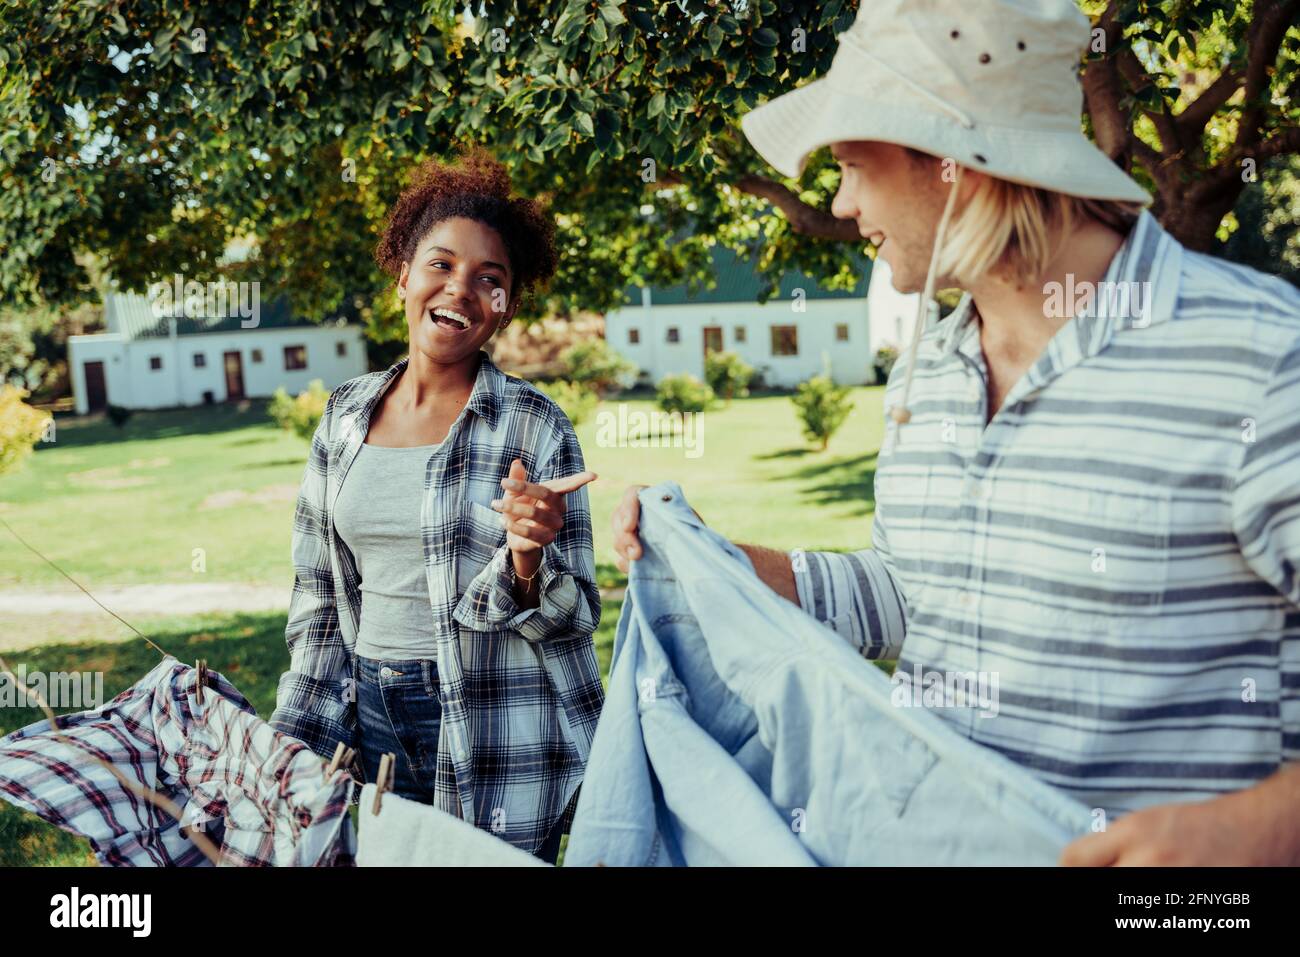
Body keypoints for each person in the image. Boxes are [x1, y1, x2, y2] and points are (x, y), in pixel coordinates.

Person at [613, 0, 1300, 865]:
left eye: (854, 165)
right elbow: (913, 595)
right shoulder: (928, 371)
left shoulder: (1263, 358)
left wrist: (1253, 833)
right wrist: (723, 563)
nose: (840, 200)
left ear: (956, 167)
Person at [271, 148, 604, 863]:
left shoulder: (535, 426)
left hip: (493, 723)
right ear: (403, 274)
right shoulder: (345, 416)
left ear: (505, 306)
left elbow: (576, 615)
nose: (462, 289)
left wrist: (526, 561)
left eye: (492, 279)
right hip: (367, 714)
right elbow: (319, 598)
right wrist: (292, 738)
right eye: (442, 264)